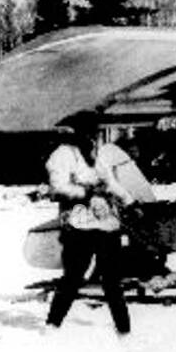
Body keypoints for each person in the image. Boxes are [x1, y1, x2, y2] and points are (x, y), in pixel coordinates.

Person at [44, 112, 137, 335]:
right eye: (88, 131)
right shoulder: (62, 155)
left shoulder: (96, 156)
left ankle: (124, 331)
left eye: (93, 132)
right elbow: (58, 187)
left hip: (105, 224)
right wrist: (86, 193)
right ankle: (52, 326)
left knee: (112, 280)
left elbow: (110, 181)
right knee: (73, 277)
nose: (92, 136)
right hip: (78, 225)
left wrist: (130, 201)